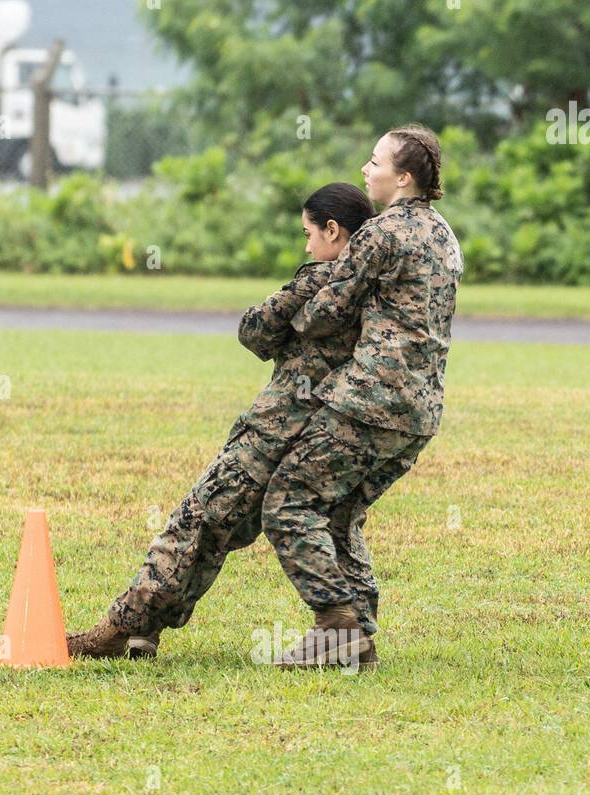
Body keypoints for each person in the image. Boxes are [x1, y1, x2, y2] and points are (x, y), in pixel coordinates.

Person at [66, 182, 375, 660]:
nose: (307, 244)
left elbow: (254, 330)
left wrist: (299, 289)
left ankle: (118, 628)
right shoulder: (377, 288)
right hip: (327, 434)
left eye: (309, 233)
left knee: (195, 524)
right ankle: (354, 631)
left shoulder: (320, 278)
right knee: (334, 526)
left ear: (333, 231)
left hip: (273, 432)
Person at [261, 124, 464, 669]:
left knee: (288, 502)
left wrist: (292, 321)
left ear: (402, 178)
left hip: (369, 401)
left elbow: (330, 307)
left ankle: (336, 624)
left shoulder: (380, 234)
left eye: (374, 162)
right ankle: (359, 639)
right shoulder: (445, 234)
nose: (364, 171)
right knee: (340, 511)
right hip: (420, 413)